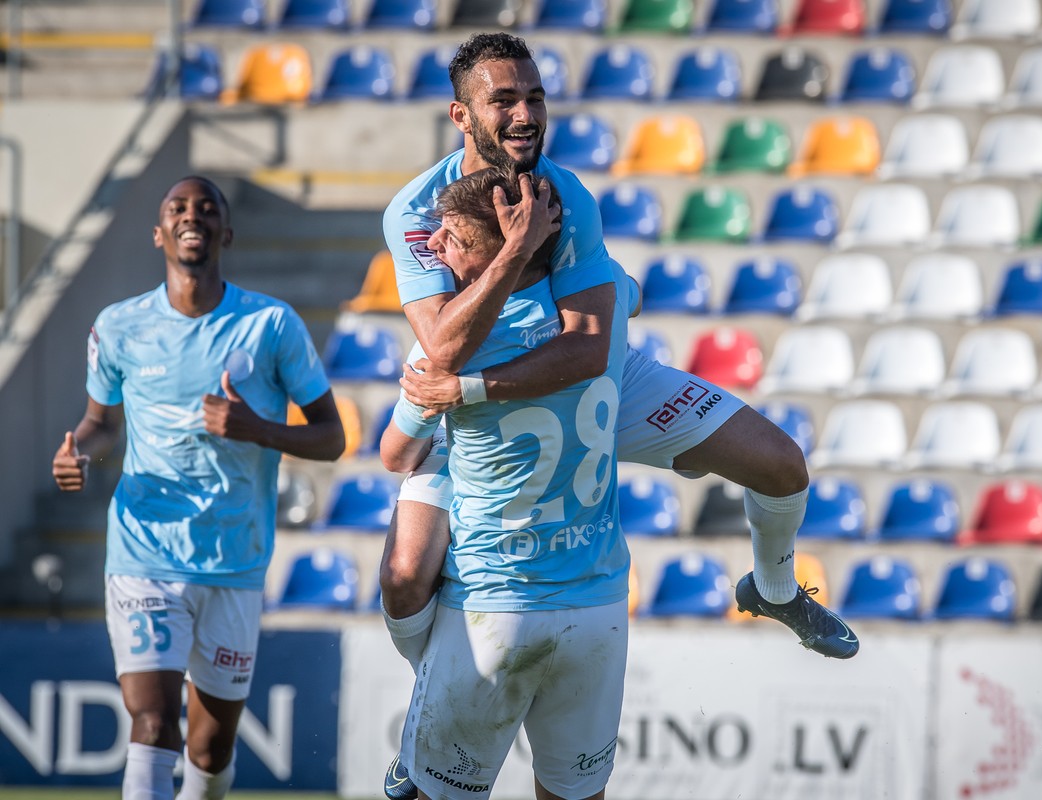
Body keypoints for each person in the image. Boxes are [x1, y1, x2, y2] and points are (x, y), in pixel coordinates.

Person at [378, 32, 857, 798]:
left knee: (780, 464)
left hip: (591, 383)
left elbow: (590, 352)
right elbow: (439, 344)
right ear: (461, 116)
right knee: (405, 575)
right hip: (472, 417)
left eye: (534, 96)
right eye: (504, 99)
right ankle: (425, 715)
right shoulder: (416, 210)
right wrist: (499, 285)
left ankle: (773, 588)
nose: (526, 113)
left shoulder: (566, 195)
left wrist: (464, 381)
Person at [51, 176, 345, 800]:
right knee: (152, 723)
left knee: (210, 752)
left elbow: (332, 437)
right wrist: (78, 448)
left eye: (207, 208)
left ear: (226, 233)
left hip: (233, 558)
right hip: (144, 549)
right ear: (159, 233)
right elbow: (101, 424)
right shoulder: (119, 327)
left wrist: (256, 428)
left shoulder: (270, 324)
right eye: (178, 208)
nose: (193, 216)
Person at [384, 166, 634, 800]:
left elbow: (396, 454)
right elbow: (627, 291)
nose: (434, 247)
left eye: (454, 239)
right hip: (598, 606)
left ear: (498, 252)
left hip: (493, 606)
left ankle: (424, 683)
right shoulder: (603, 317)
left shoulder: (449, 351)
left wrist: (447, 404)